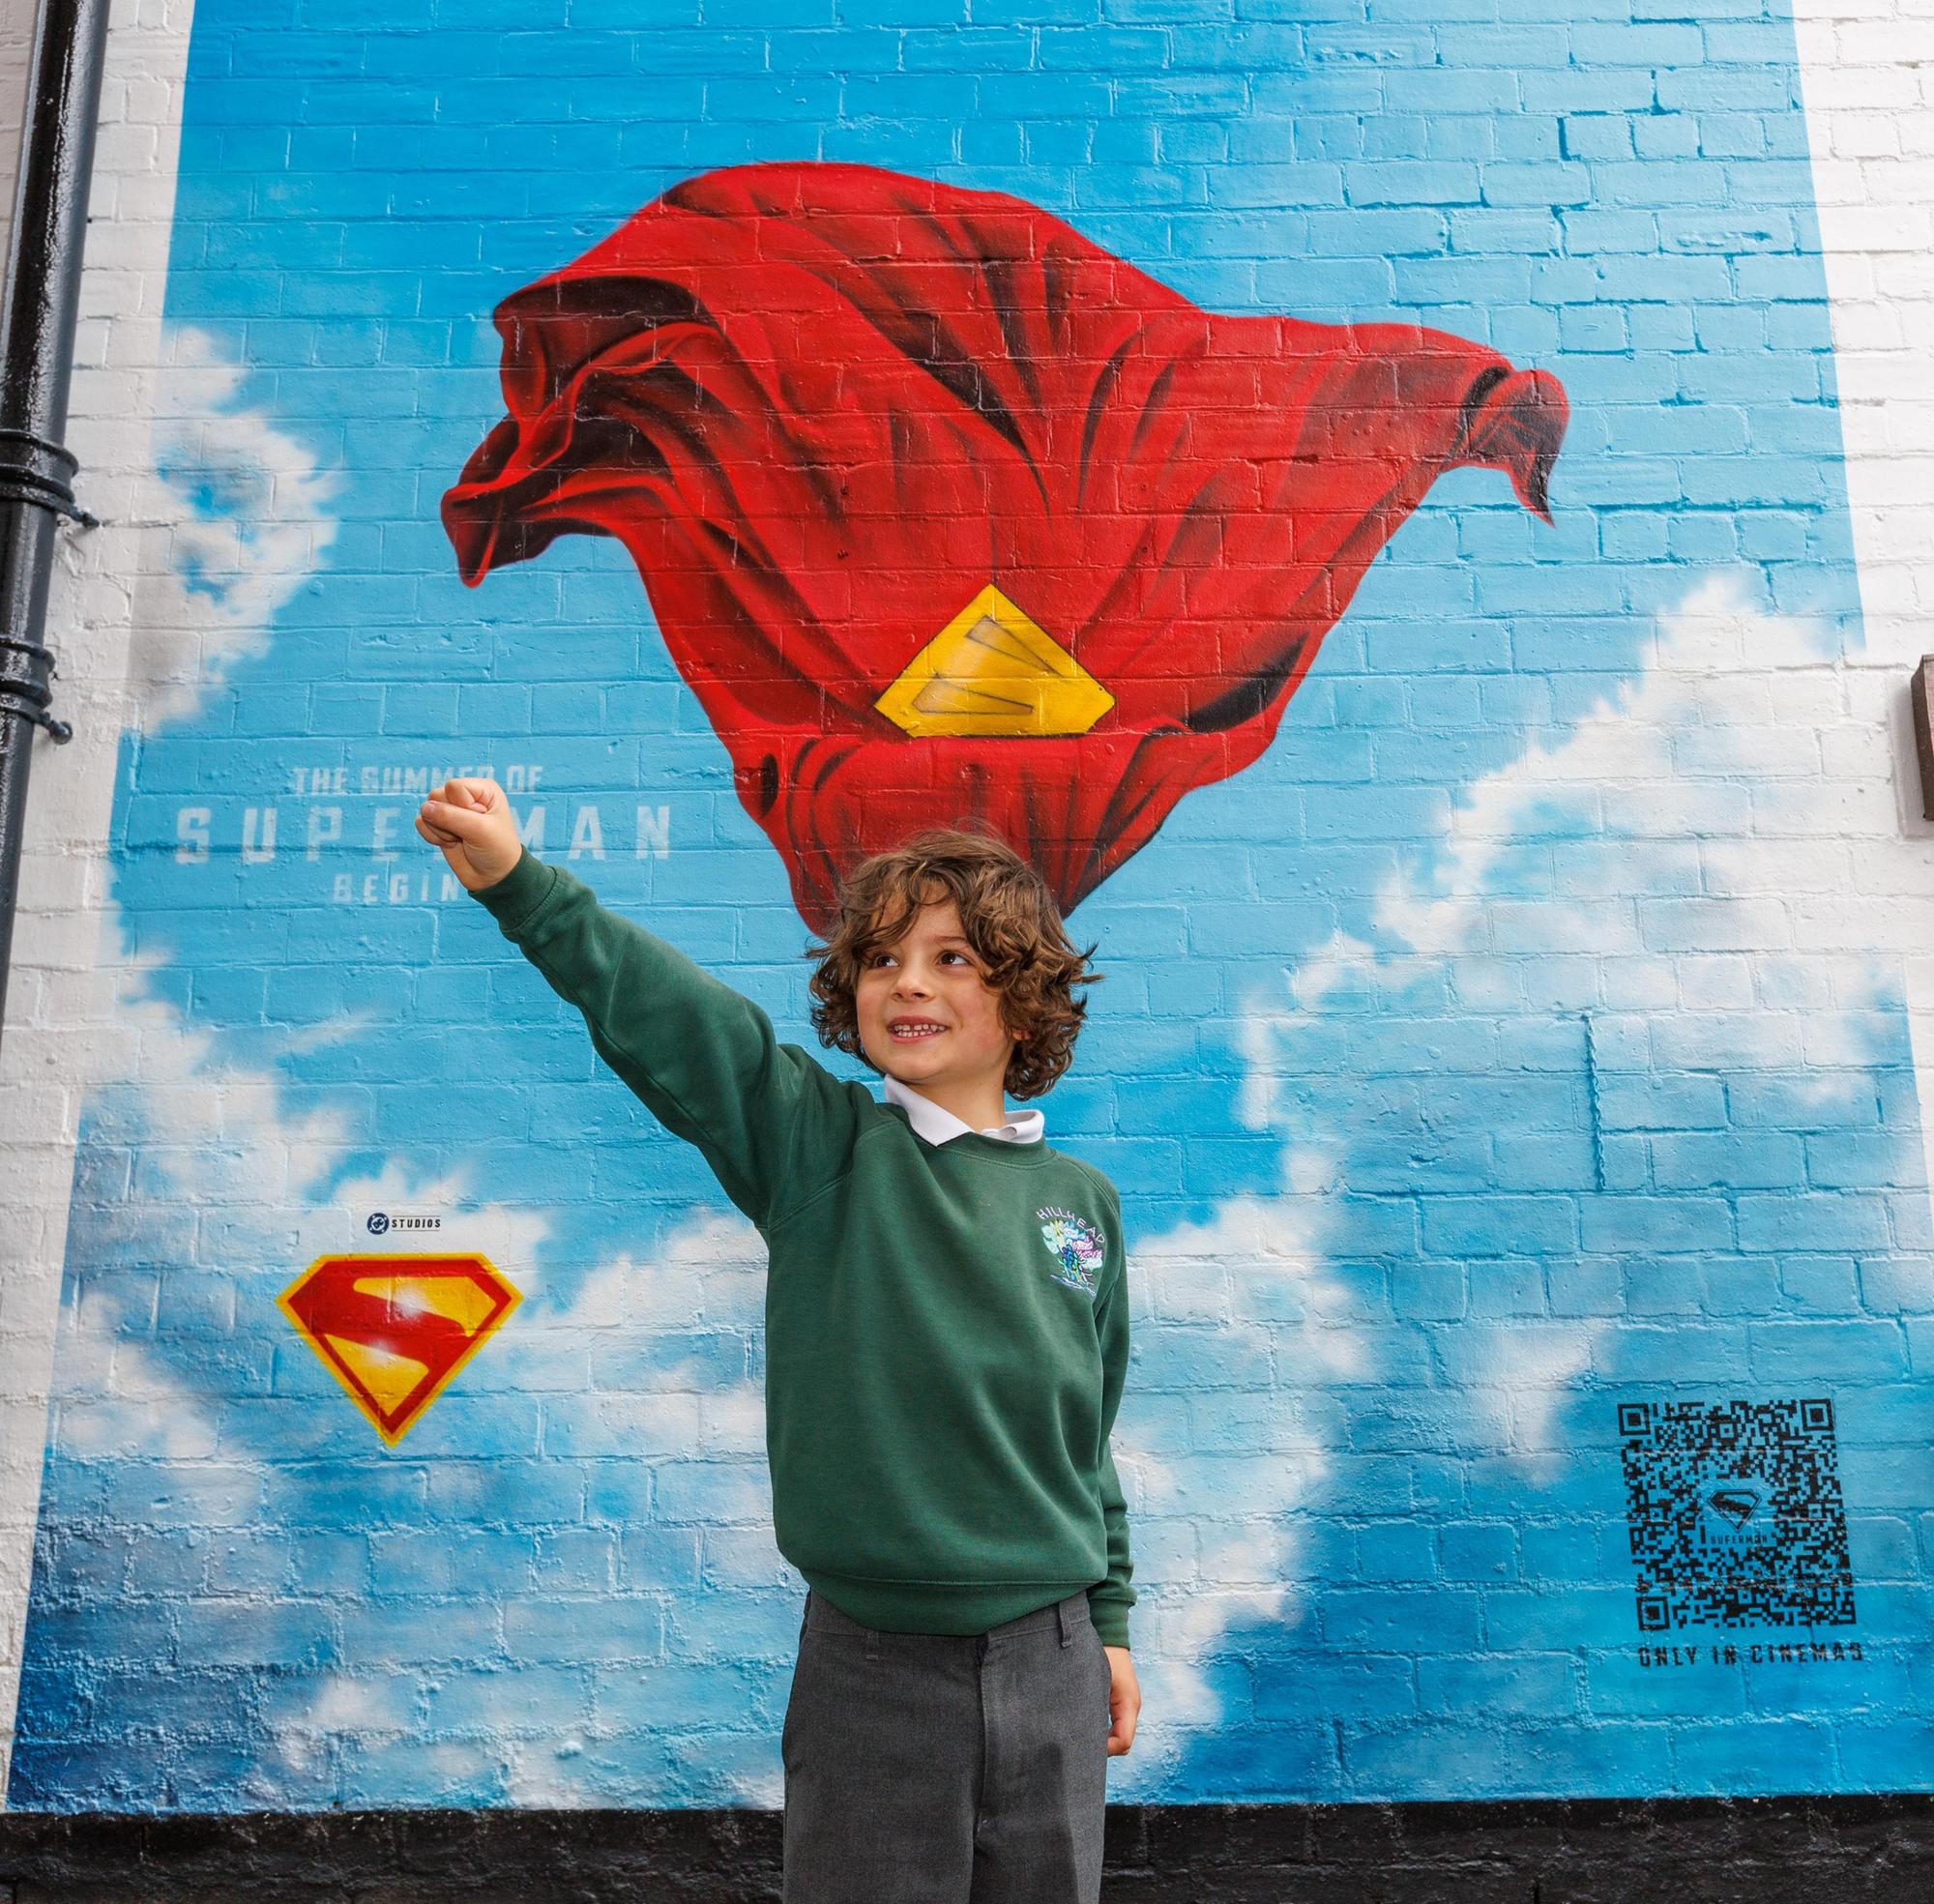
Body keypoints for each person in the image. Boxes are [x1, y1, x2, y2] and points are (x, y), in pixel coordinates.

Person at [416, 776, 1140, 1901]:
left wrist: (1109, 1624)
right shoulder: (821, 1151)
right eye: (883, 957)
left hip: (1050, 1664)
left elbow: (1085, 1440)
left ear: (1025, 998)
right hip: (873, 1669)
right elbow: (684, 1023)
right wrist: (527, 891)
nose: (906, 979)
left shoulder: (1078, 1206)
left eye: (952, 957)